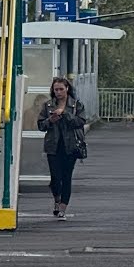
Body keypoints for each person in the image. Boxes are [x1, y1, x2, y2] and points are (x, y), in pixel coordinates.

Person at [38, 77, 86, 220]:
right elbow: (40, 125)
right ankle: (57, 199)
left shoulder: (76, 105)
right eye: (56, 89)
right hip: (53, 146)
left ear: (67, 89)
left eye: (61, 89)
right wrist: (50, 120)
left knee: (66, 177)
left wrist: (65, 114)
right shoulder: (48, 105)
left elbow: (80, 122)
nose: (58, 92)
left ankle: (62, 208)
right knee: (55, 177)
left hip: (70, 146)